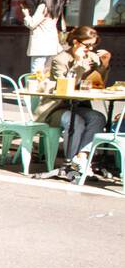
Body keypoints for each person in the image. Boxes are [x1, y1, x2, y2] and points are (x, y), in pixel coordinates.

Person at [46, 26, 110, 180]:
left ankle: (80, 158)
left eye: (93, 45)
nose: (90, 49)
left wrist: (104, 65)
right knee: (76, 121)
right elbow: (64, 87)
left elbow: (98, 83)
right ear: (76, 42)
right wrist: (79, 64)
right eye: (87, 45)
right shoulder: (60, 59)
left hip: (79, 105)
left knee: (98, 118)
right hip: (57, 107)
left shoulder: (92, 58)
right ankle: (70, 164)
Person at [21, 0, 68, 79]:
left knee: (36, 74)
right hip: (52, 45)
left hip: (40, 45)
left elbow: (31, 24)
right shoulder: (56, 8)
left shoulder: (43, 7)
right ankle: (44, 92)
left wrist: (26, 15)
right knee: (46, 73)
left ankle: (35, 93)